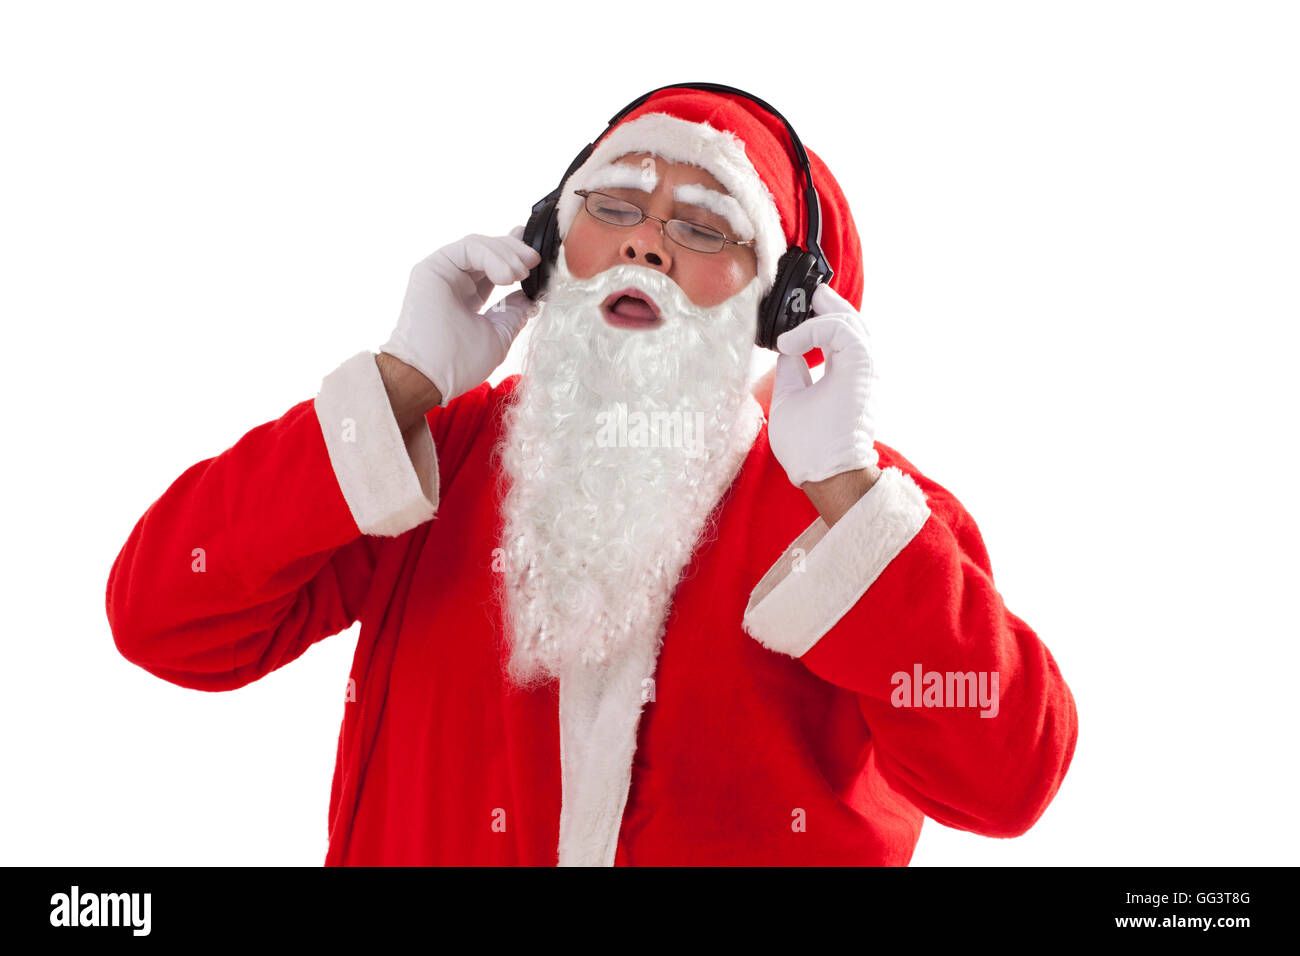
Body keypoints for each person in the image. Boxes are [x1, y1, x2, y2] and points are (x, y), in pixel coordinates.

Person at [105, 87, 1078, 865]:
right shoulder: (438, 453)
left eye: (704, 227)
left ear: (783, 303)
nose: (643, 243)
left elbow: (1008, 783)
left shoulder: (858, 516)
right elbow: (165, 619)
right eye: (612, 208)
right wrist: (401, 380)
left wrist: (840, 485)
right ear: (550, 252)